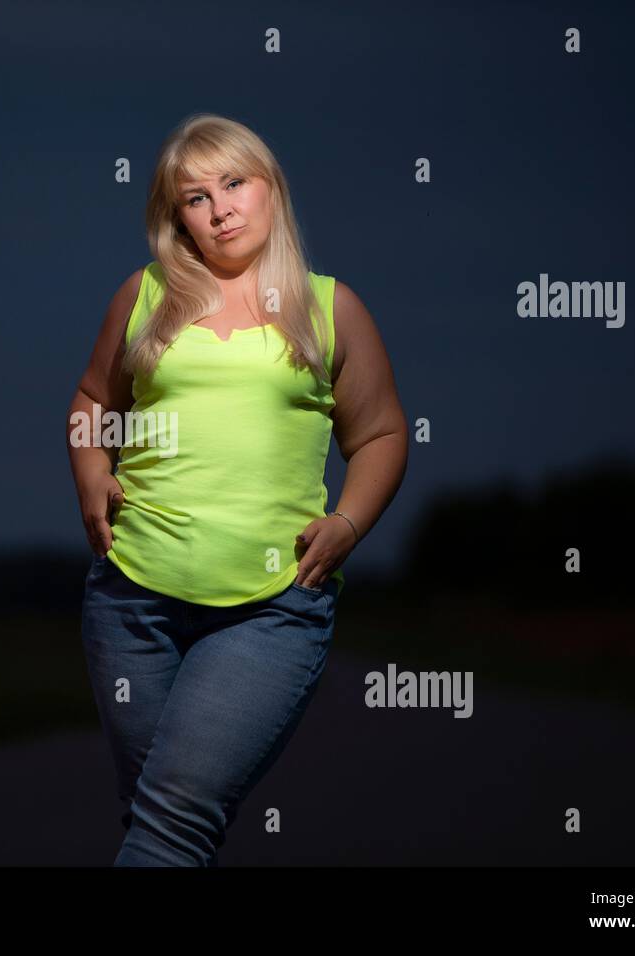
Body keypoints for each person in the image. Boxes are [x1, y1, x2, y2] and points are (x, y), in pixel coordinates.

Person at [65, 113, 408, 866]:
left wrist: (348, 523)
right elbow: (95, 399)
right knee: (156, 821)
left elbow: (382, 435)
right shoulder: (144, 294)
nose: (219, 208)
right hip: (132, 601)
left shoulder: (330, 308)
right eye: (195, 197)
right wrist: (93, 471)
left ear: (270, 190)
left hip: (272, 610)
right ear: (175, 218)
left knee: (171, 827)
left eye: (234, 184)